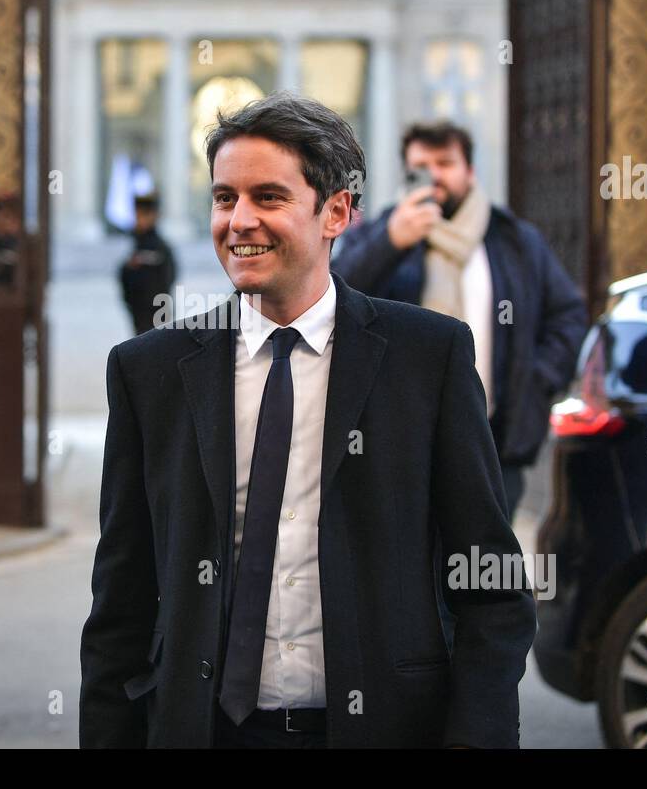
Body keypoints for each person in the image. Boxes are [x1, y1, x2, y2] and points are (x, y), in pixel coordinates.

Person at [79, 94, 536, 748]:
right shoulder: (148, 374)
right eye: (223, 198)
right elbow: (119, 609)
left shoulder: (427, 359)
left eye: (268, 197)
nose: (239, 221)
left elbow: (491, 588)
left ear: (337, 212)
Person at [331, 122, 587, 517]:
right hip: (398, 441)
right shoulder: (384, 233)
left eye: (445, 163)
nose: (434, 175)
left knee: (480, 565)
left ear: (470, 171)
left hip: (494, 443)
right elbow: (333, 297)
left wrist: (536, 384)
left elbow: (567, 316)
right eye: (421, 166)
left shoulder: (514, 241)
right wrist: (390, 244)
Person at [118, 192, 177, 335]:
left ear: (153, 216)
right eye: (137, 215)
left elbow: (166, 280)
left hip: (155, 316)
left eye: (143, 215)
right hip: (140, 314)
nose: (138, 220)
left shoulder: (160, 247)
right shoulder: (138, 243)